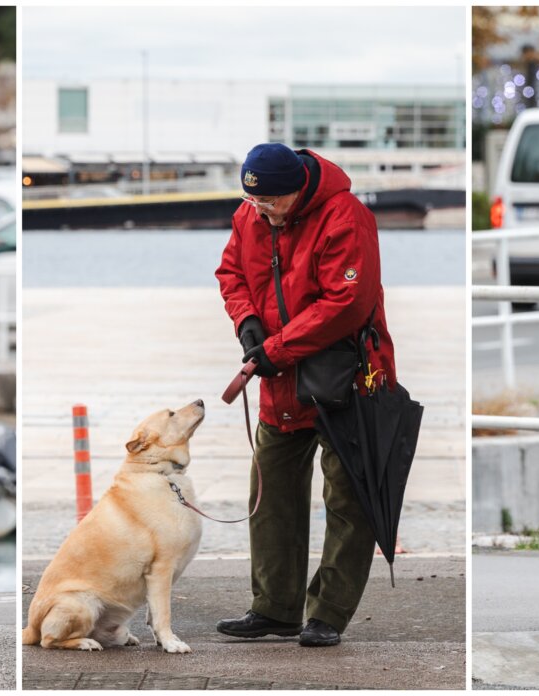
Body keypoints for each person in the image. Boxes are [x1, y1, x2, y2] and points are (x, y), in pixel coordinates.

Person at [214, 143, 396, 647]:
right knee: (269, 490)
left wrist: (276, 347)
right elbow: (230, 273)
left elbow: (348, 302)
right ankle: (274, 609)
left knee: (349, 500)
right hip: (280, 376)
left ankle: (327, 615)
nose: (260, 211)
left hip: (348, 377)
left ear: (298, 189)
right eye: (253, 202)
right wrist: (246, 322)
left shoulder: (346, 216)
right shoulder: (252, 212)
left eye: (271, 202)